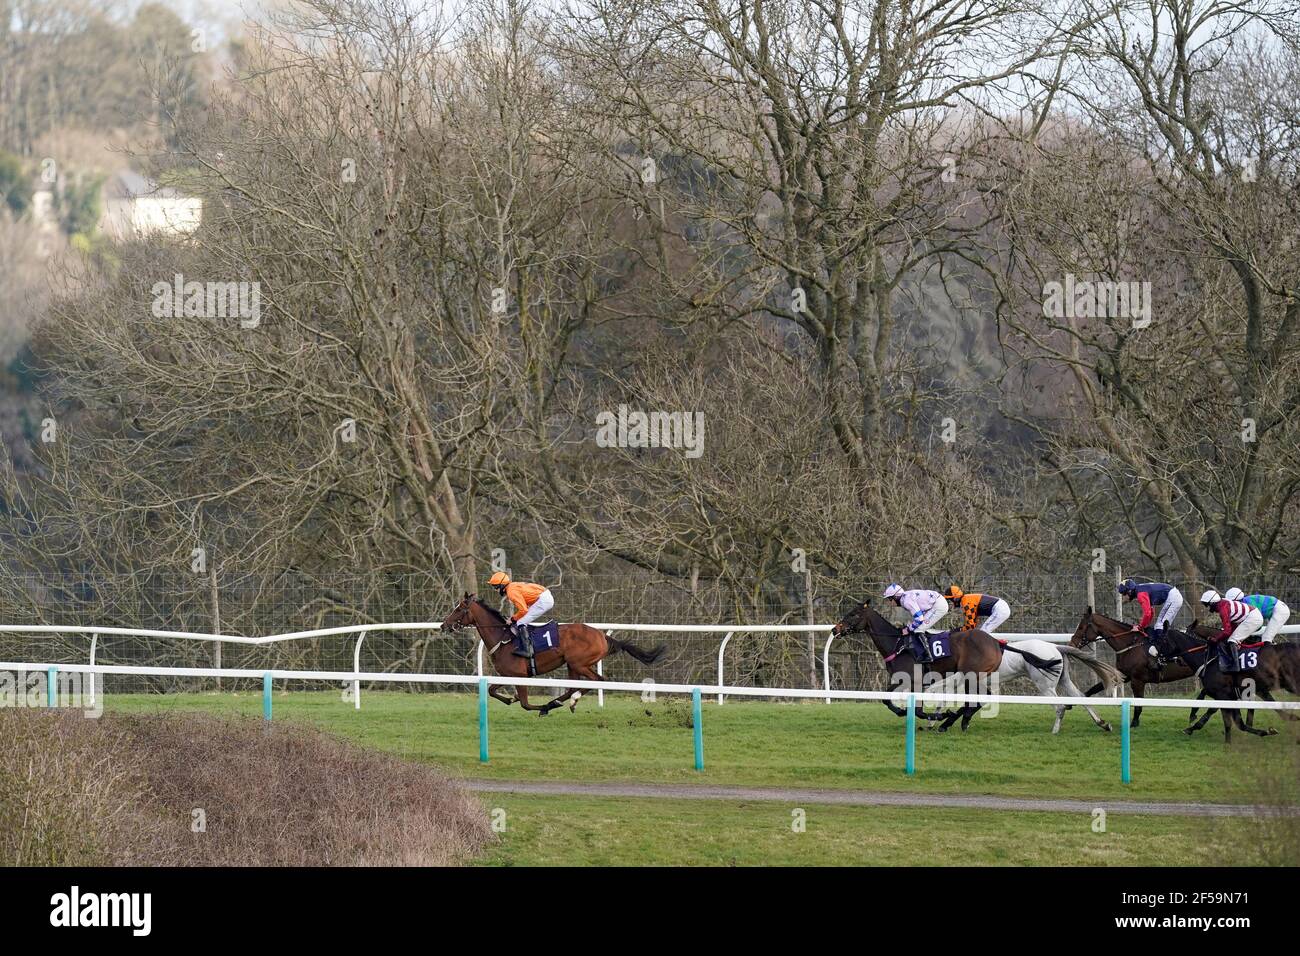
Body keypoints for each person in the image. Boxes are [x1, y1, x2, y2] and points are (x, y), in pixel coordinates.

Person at [1117, 578, 1183, 667]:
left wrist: (1140, 627)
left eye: (1124, 594)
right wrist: (1144, 626)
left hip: (1173, 597)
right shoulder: (1140, 590)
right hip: (1173, 596)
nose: (1123, 597)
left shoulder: (1140, 594)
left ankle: (1169, 653)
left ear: (1129, 591)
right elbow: (1151, 613)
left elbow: (1147, 614)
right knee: (1158, 625)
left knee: (1160, 625)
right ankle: (1166, 652)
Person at [488, 571, 555, 659]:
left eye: (495, 587)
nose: (495, 590)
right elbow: (525, 607)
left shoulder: (511, 592)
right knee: (521, 620)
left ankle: (528, 651)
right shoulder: (512, 586)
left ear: (501, 586)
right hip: (543, 596)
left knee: (520, 623)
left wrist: (512, 619)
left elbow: (523, 610)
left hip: (543, 600)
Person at [1200, 590, 1264, 672]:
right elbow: (1232, 626)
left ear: (1212, 603)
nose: (1207, 608)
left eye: (1207, 605)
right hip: (1253, 616)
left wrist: (1215, 639)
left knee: (1232, 640)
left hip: (1253, 618)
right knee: (1231, 638)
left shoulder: (1223, 609)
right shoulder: (1223, 603)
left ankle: (1235, 667)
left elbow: (1227, 631)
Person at [883, 584, 948, 663]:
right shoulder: (905, 598)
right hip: (936, 603)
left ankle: (928, 655)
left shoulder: (907, 601)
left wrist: (908, 629)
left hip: (938, 605)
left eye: (890, 599)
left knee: (918, 629)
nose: (889, 602)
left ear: (896, 597)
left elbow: (919, 619)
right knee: (918, 627)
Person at [1224, 587, 1291, 644]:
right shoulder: (1245, 602)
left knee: (1266, 638)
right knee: (1265, 637)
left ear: (1238, 600)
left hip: (1280, 610)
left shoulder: (1249, 603)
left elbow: (1258, 624)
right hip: (1277, 608)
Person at [943, 585, 1011, 633]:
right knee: (982, 632)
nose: (951, 602)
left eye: (950, 599)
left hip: (1000, 609)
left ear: (955, 598)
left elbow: (970, 626)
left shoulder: (966, 602)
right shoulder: (966, 600)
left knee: (983, 632)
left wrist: (958, 630)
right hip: (1001, 607)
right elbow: (973, 624)